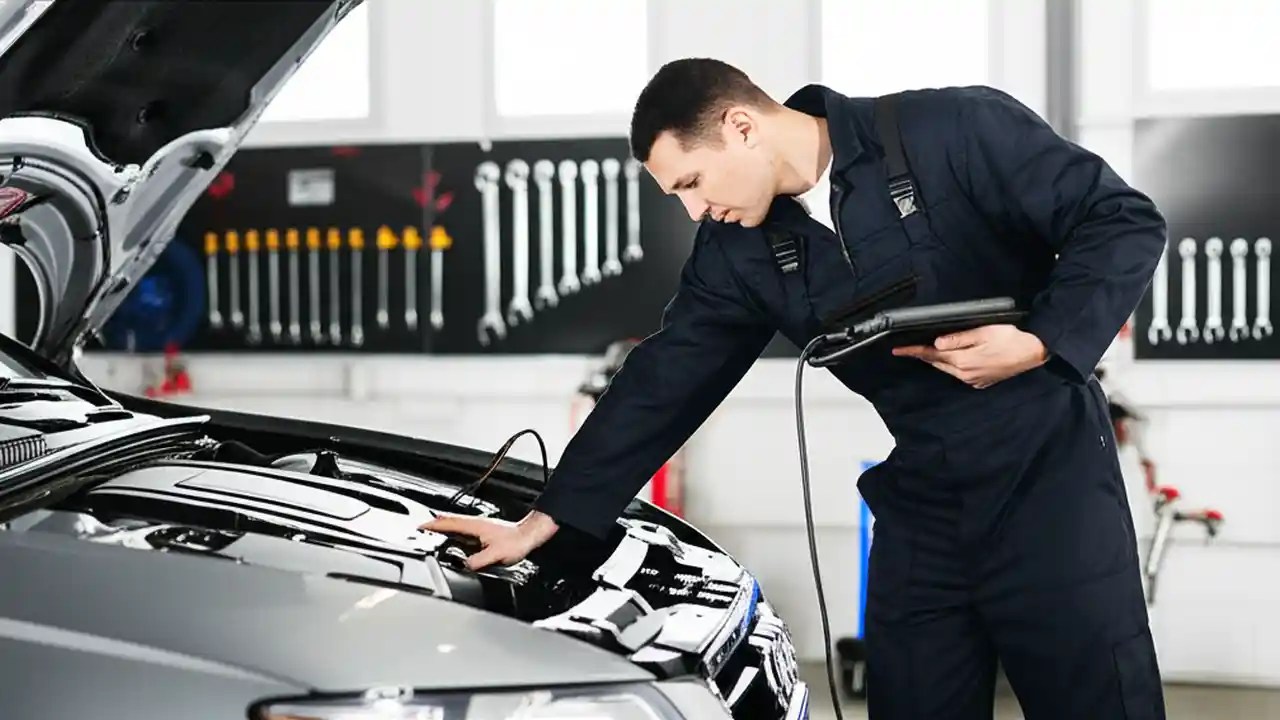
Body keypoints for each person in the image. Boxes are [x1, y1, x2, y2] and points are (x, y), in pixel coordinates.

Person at [425, 58, 1168, 719]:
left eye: (691, 182)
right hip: (926, 505)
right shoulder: (738, 250)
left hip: (1051, 485)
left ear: (741, 127)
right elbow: (664, 378)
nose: (694, 210)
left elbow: (1121, 219)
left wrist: (1039, 342)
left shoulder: (951, 129)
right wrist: (546, 517)